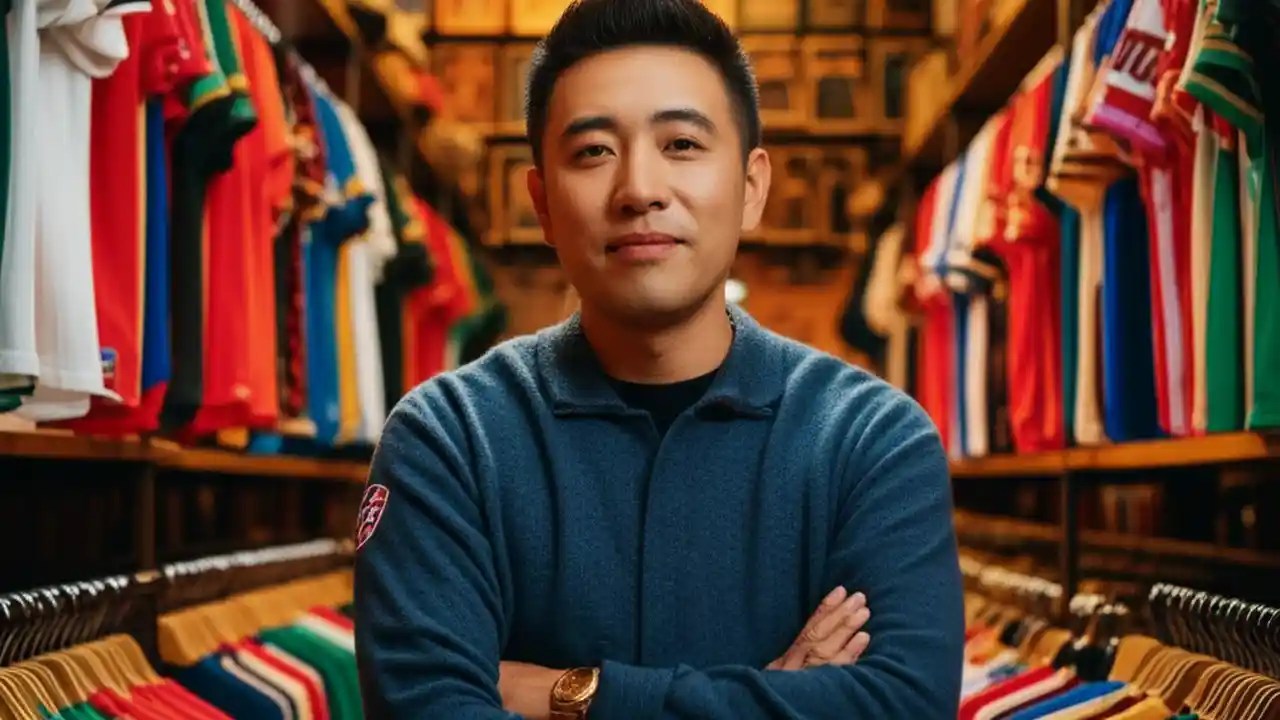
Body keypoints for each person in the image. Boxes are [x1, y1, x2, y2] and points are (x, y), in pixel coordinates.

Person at [353, 0, 965, 717]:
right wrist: (775, 697)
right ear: (543, 202)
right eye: (593, 152)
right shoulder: (447, 439)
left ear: (751, 188)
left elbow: (904, 704)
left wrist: (567, 693)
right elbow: (423, 705)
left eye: (681, 144)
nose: (640, 189)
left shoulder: (874, 442)